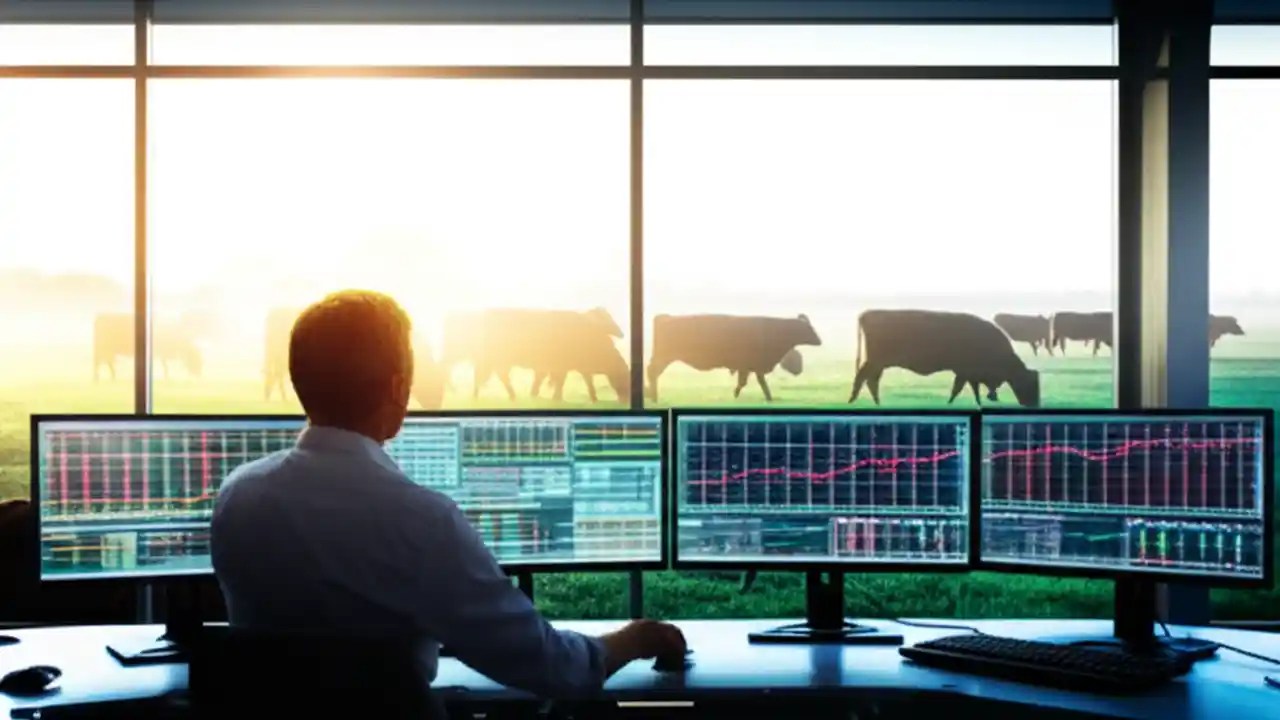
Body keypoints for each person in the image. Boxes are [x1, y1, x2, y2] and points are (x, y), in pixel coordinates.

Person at [210, 290, 684, 698]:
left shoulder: (237, 498)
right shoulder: (420, 520)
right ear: (398, 388)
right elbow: (552, 668)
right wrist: (635, 639)